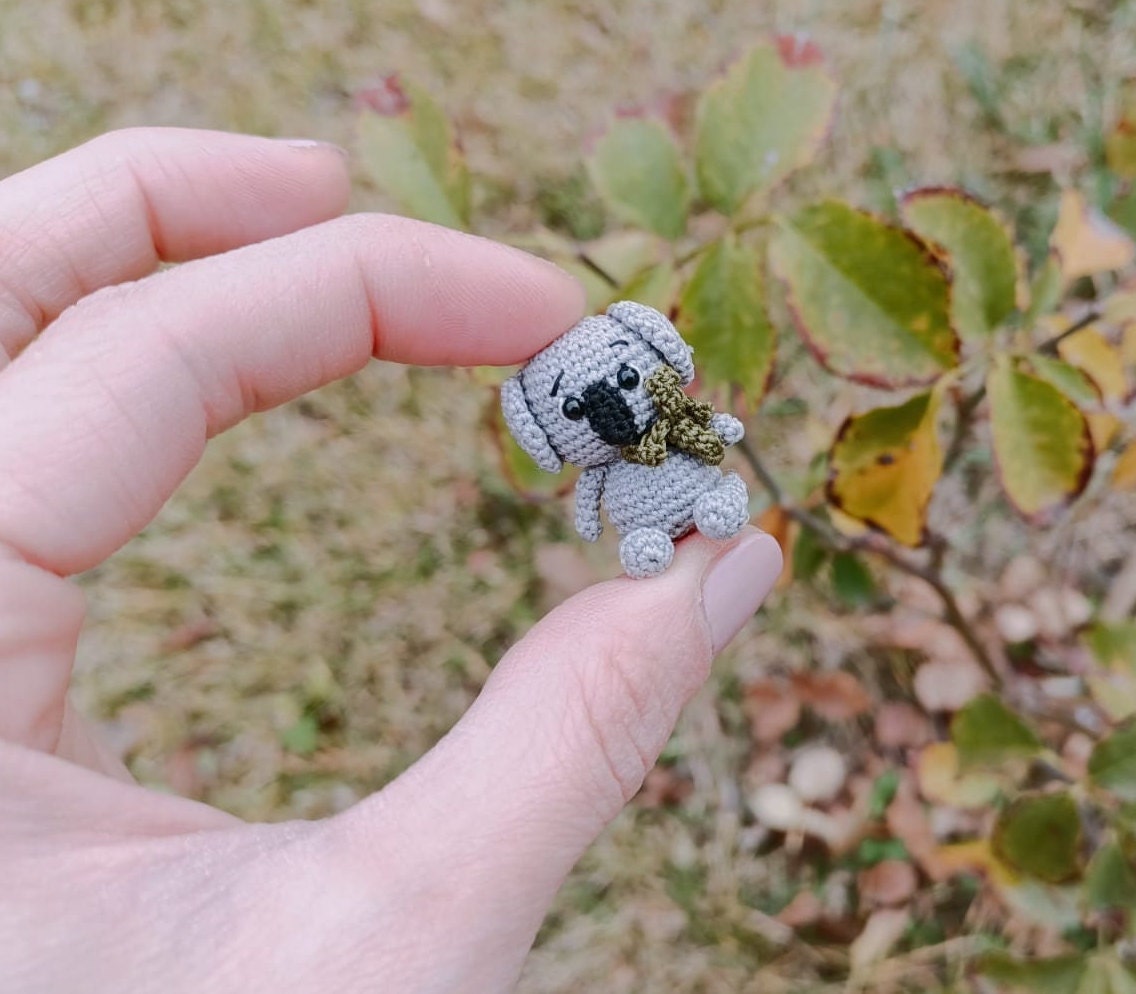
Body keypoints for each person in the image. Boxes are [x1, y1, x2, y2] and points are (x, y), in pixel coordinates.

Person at [0, 128, 782, 992]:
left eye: (626, 379)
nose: (609, 398)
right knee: (652, 543)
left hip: (685, 486)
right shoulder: (598, 463)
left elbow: (690, 443)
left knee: (702, 499)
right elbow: (591, 498)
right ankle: (669, 537)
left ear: (658, 356)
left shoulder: (677, 422)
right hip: (645, 519)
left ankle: (702, 514)